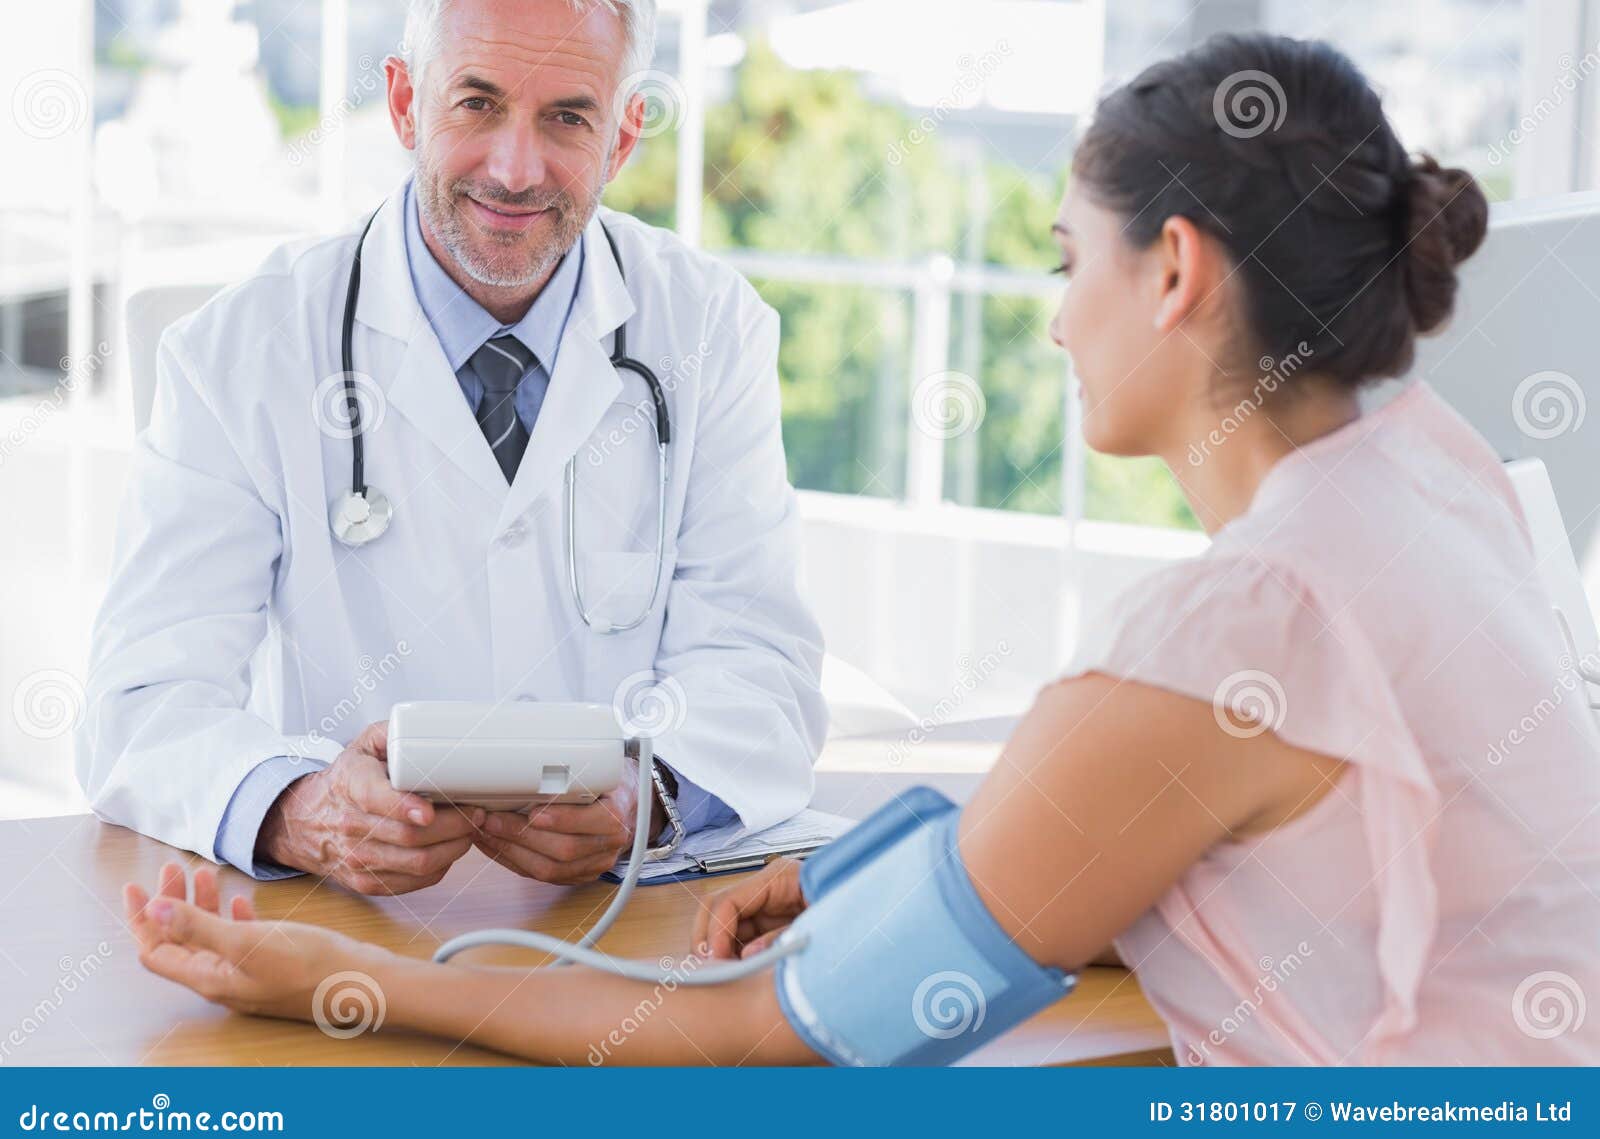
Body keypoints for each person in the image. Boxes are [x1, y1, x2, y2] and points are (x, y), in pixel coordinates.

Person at [124, 33, 1600, 1065]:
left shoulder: (1228, 634)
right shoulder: (1440, 485)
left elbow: (780, 1030)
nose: (1047, 316)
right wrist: (858, 880)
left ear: (1173, 274)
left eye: (1060, 259)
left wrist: (363, 983)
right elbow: (1118, 845)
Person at [80, 0, 827, 895]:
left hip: (612, 925)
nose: (515, 169)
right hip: (346, 932)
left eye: (567, 117)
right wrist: (300, 810)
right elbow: (142, 703)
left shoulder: (712, 329)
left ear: (624, 136)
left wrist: (648, 798)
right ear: (403, 104)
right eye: (476, 103)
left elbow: (759, 665)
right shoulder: (238, 351)